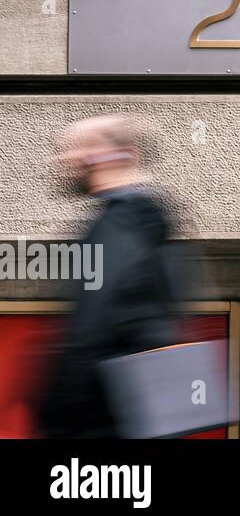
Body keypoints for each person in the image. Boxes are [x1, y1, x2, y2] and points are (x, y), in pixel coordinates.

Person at [37, 114, 185, 438]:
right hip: (128, 411)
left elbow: (90, 329)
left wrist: (57, 414)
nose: (66, 158)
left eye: (82, 147)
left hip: (104, 420)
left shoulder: (118, 228)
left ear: (122, 154)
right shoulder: (151, 220)